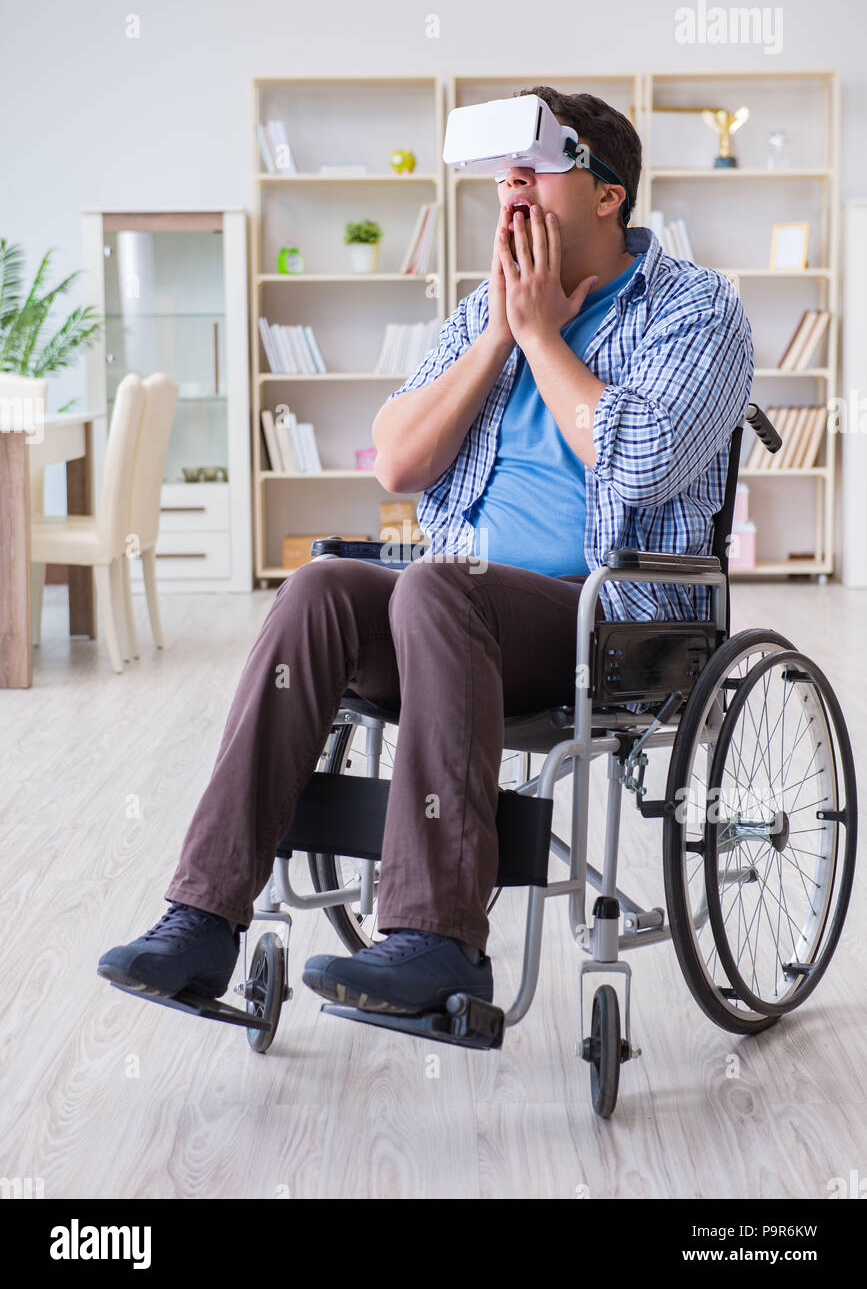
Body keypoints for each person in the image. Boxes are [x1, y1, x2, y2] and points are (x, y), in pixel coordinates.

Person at [97, 86, 753, 1019]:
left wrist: (540, 334)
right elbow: (399, 460)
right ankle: (201, 917)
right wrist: (496, 334)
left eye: (536, 171)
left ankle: (438, 939)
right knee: (322, 585)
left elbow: (642, 460)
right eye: (501, 177)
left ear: (607, 194)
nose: (512, 191)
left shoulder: (694, 308)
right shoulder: (485, 307)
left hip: (604, 620)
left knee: (440, 587)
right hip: (447, 609)